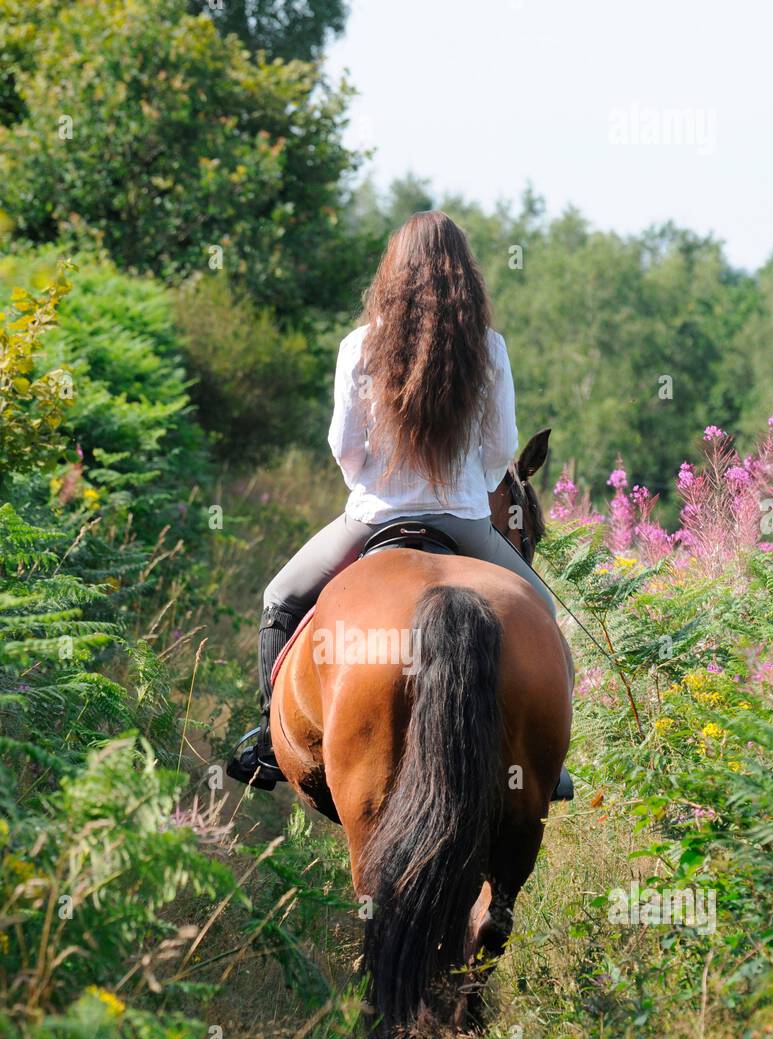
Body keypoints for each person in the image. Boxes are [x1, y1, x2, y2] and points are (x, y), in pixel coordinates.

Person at [228, 210, 572, 797]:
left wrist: (371, 487)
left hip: (373, 520)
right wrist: (467, 484)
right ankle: (549, 761)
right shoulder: (489, 348)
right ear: (465, 275)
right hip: (464, 525)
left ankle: (266, 739)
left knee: (279, 597)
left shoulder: (360, 345)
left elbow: (344, 446)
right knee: (543, 618)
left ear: (393, 272)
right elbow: (500, 450)